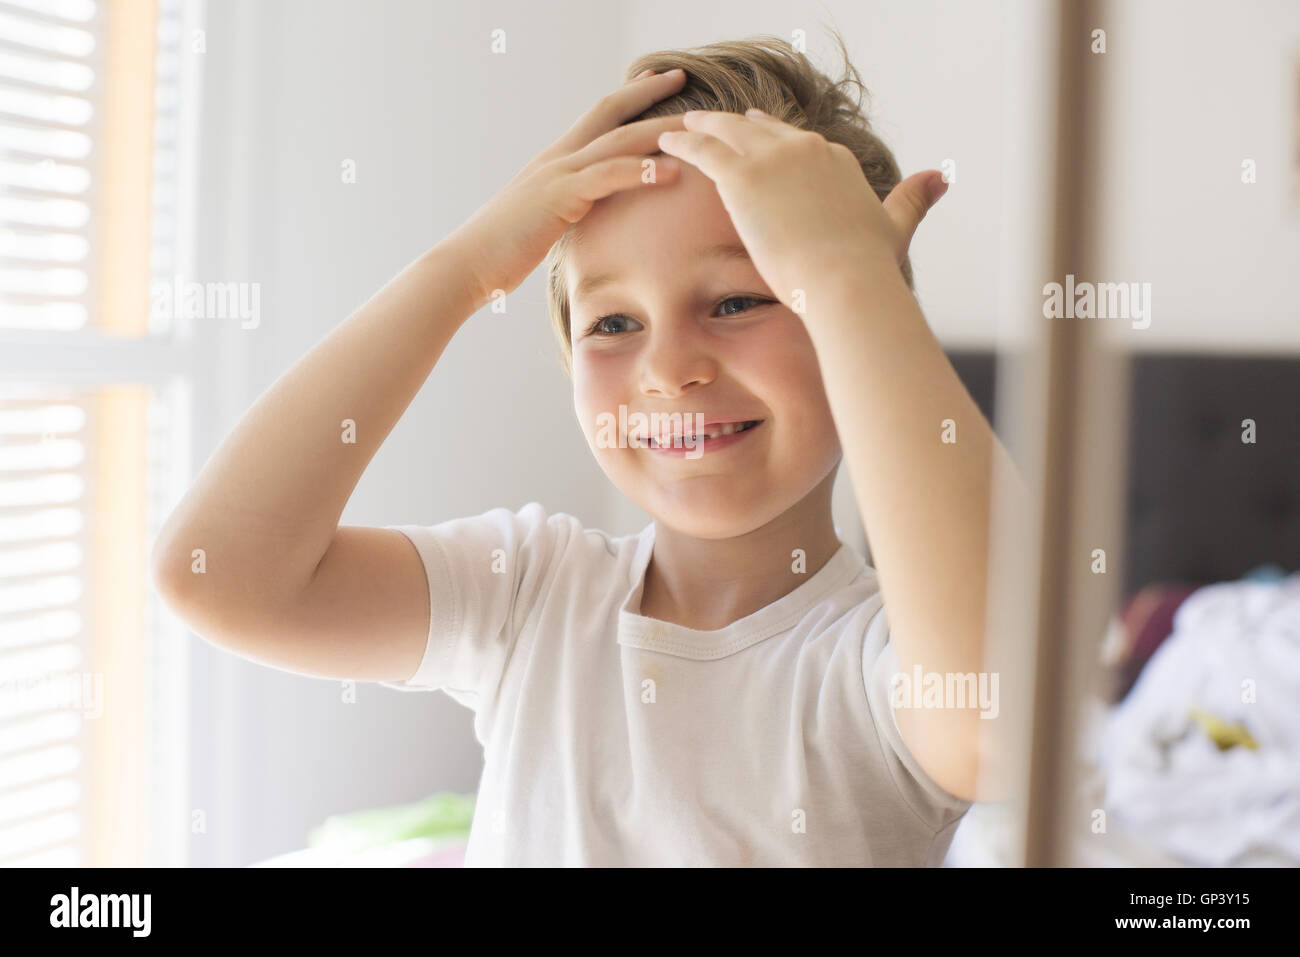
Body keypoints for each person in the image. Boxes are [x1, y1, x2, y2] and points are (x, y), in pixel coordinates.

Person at [153, 31, 1016, 866]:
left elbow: (997, 720)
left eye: (737, 301)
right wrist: (467, 267)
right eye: (612, 322)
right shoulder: (530, 594)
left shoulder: (874, 664)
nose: (668, 368)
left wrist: (849, 275)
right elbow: (214, 570)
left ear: (856, 327)